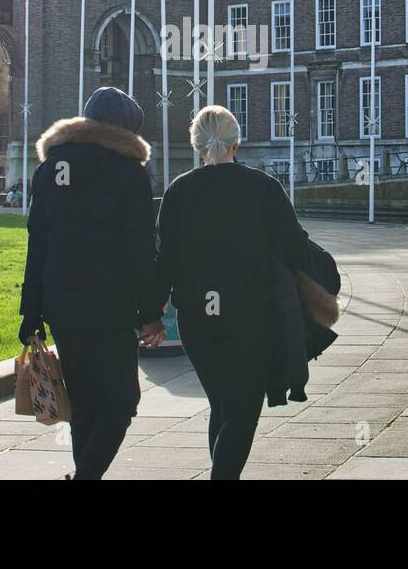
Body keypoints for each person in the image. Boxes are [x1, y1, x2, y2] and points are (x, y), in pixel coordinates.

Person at [157, 105, 311, 480]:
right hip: (251, 316)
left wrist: (150, 314)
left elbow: (165, 259)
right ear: (237, 141)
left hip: (197, 319)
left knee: (223, 408)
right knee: (241, 414)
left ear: (196, 144)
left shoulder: (179, 190)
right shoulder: (262, 187)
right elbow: (296, 249)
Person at [19, 87, 166, 480]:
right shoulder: (129, 173)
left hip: (62, 307)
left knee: (82, 401)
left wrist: (30, 313)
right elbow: (140, 252)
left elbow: (38, 246)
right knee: (120, 402)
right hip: (111, 307)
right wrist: (151, 314)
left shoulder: (49, 169)